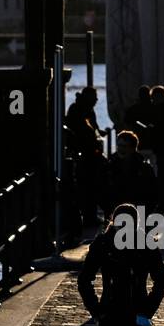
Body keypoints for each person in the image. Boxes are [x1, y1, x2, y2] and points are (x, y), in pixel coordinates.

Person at [64, 86, 105, 229]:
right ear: (88, 97)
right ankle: (88, 217)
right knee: (87, 186)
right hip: (83, 153)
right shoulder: (78, 109)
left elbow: (93, 127)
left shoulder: (85, 108)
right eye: (94, 98)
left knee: (92, 186)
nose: (96, 100)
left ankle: (90, 215)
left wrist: (99, 132)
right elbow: (82, 130)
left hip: (89, 152)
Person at [103, 130, 158, 214]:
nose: (121, 149)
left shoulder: (144, 168)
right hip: (115, 210)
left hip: (137, 211)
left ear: (133, 148)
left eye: (124, 146)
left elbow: (151, 194)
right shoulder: (110, 166)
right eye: (119, 146)